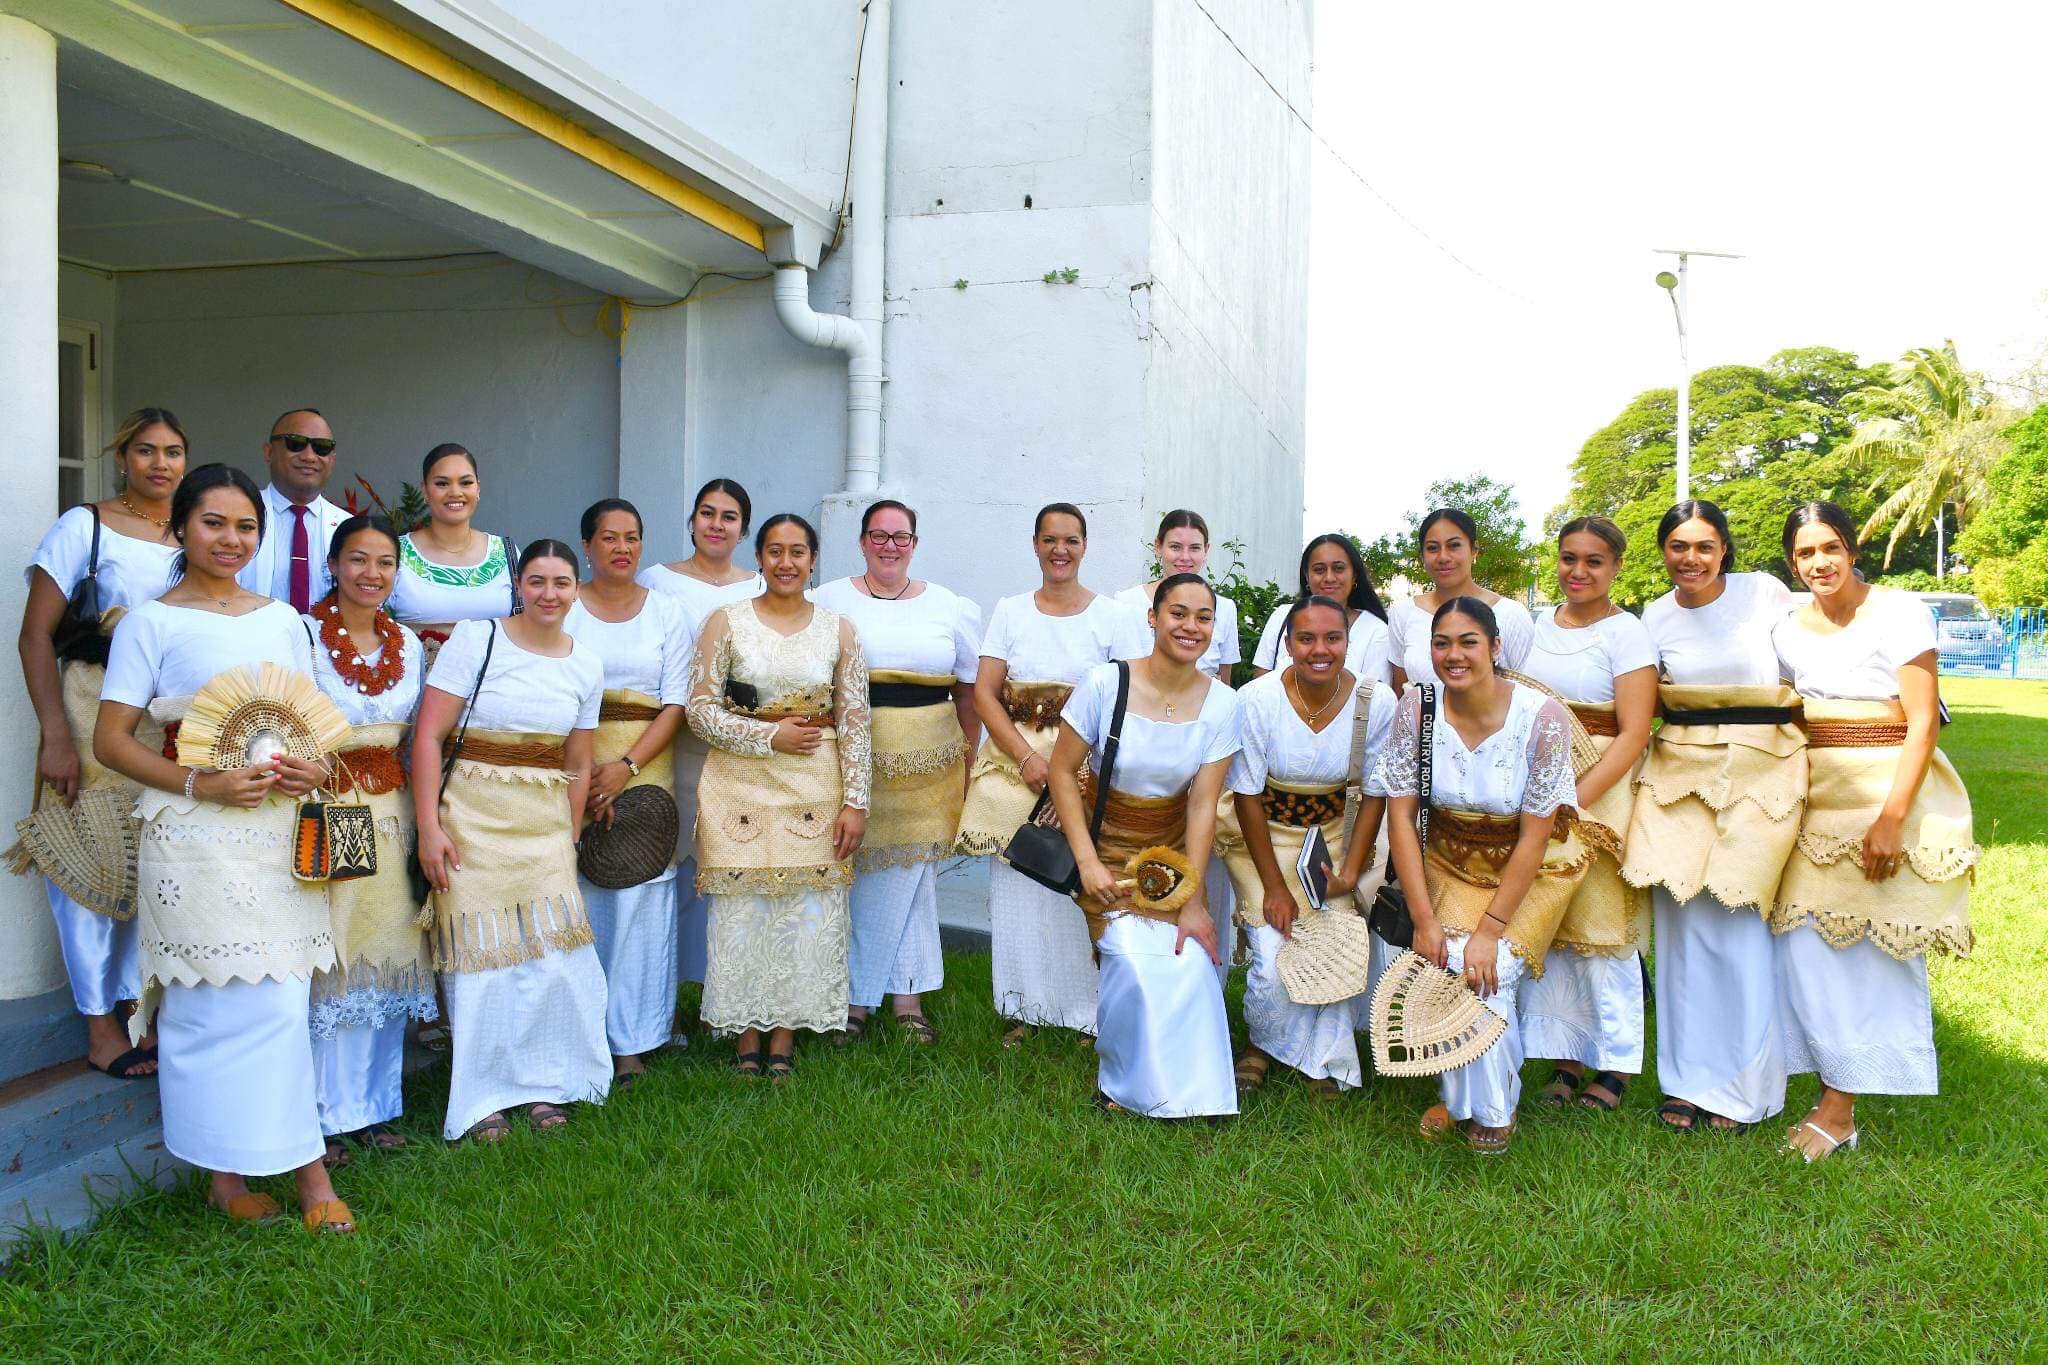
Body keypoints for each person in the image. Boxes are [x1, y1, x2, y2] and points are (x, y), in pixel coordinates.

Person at [94, 463, 352, 1231]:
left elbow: (308, 723)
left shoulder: (283, 620)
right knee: (204, 1006)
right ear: (180, 527)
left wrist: (311, 766)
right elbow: (111, 739)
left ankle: (306, 1173)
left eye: (245, 526)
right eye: (213, 522)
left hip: (275, 830)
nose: (230, 539)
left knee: (279, 997)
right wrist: (198, 783)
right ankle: (225, 1176)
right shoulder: (150, 622)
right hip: (192, 832)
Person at [1770, 502, 1976, 1161]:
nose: (1819, 562)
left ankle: (1840, 1108)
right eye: (1805, 553)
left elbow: (1924, 719)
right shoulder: (1786, 628)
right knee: (1803, 944)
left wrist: (1890, 818)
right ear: (1791, 561)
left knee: (1870, 951)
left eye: (1830, 546)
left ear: (1853, 548)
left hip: (1887, 789)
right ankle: (1833, 1077)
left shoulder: (1899, 611)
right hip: (1815, 794)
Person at [1373, 597, 1585, 1154]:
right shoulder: (1414, 709)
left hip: (1530, 872)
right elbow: (1400, 815)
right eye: (1442, 643)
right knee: (1443, 963)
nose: (1453, 654)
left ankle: (1490, 1111)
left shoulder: (1543, 717)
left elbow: (1538, 836)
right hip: (1445, 864)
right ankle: (1467, 1097)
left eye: (1469, 641)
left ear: (1495, 648)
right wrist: (1423, 919)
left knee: (1485, 975)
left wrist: (1490, 930)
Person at [414, 540, 608, 1142]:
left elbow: (578, 759)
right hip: (470, 822)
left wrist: (568, 833)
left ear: (576, 589)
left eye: (562, 583)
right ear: (518, 585)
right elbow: (428, 736)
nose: (550, 594)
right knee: (482, 965)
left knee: (553, 960)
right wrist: (429, 826)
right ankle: (484, 1098)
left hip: (543, 828)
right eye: (537, 581)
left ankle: (547, 1084)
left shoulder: (585, 663)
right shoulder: (477, 640)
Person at [13, 407, 185, 1079]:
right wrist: (54, 731)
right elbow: (34, 635)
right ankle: (98, 1025)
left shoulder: (195, 529)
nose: (161, 463)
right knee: (88, 863)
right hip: (90, 707)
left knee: (152, 866)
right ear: (123, 458)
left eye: (173, 451)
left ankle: (140, 1012)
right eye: (146, 450)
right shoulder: (83, 526)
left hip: (164, 714)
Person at [1620, 499, 1802, 1134]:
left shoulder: (1765, 594)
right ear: (1664, 551)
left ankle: (1743, 1089)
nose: (1690, 558)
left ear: (1725, 548)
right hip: (1679, 773)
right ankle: (1687, 1082)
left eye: (1703, 545)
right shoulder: (1656, 616)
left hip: (1762, 767)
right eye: (1678, 546)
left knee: (1738, 921)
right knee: (1680, 926)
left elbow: (1809, 671)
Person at [1048, 574, 1242, 1117]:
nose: (1190, 627)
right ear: (1153, 617)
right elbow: (1063, 773)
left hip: (1171, 854)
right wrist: (1086, 861)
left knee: (1188, 961)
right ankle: (1127, 1086)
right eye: (1178, 613)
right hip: (1104, 844)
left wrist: (1194, 899)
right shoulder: (1106, 684)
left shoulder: (1224, 705)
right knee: (1132, 959)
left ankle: (1197, 1095)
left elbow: (1203, 804)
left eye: (1203, 618)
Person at [686, 513, 869, 1079]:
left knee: (802, 909)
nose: (785, 562)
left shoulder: (840, 628)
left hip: (817, 782)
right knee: (745, 910)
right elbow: (699, 711)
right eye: (774, 551)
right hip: (740, 784)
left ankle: (784, 1035)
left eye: (797, 551)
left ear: (814, 560)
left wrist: (856, 801)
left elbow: (856, 720)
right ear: (759, 558)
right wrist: (770, 735)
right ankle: (745, 1035)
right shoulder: (726, 621)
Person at [958, 502, 1148, 1045]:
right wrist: (1026, 758)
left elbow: (1124, 697)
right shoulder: (1011, 610)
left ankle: (1090, 1010)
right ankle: (1026, 1006)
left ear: (1085, 547)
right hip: (1015, 759)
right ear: (1035, 545)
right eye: (1049, 539)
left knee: (1077, 883)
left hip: (1083, 765)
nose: (1059, 550)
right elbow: (985, 694)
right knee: (1019, 883)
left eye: (1070, 540)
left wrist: (1071, 770)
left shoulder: (1114, 615)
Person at [811, 499, 981, 1044]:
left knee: (914, 880)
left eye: (900, 537)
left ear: (914, 543)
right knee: (861, 876)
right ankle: (864, 999)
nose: (889, 546)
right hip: (855, 761)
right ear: (862, 541)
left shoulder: (951, 606)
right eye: (878, 536)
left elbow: (970, 689)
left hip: (930, 764)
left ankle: (899, 1001)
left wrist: (971, 756)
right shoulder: (829, 600)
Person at [1224, 595, 1396, 1097]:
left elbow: (1375, 794)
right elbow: (1248, 797)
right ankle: (1262, 1043)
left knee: (1332, 948)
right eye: (1306, 638)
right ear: (1287, 644)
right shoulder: (1256, 699)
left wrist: (1349, 870)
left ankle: (1326, 1059)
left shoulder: (1374, 700)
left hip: (1335, 842)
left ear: (1348, 641)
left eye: (1332, 638)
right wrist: (1274, 888)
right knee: (1274, 955)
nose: (1319, 650)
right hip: (1263, 841)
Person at [1515, 517, 1658, 1113]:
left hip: (1599, 789)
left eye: (1593, 561)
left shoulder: (1627, 634)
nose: (1578, 571)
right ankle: (1565, 1054)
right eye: (1569, 558)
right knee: (1552, 923)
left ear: (1616, 567)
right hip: (1536, 784)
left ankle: (1616, 1064)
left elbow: (1632, 732)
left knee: (1602, 928)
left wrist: (1573, 799)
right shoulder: (1534, 627)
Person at [302, 515, 433, 1164]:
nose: (372, 573)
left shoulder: (407, 643)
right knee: (340, 951)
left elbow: (416, 734)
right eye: (358, 559)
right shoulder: (302, 635)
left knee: (390, 947)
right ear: (333, 563)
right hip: (336, 809)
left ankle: (376, 1106)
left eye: (384, 562)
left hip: (394, 807)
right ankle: (324, 1114)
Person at [564, 499, 692, 1086]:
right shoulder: (563, 606)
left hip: (645, 766)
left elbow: (676, 703)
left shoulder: (666, 612)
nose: (623, 548)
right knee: (580, 895)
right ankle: (579, 1034)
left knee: (643, 898)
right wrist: (588, 773)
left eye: (633, 538)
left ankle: (636, 1040)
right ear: (587, 545)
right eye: (610, 538)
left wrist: (625, 768)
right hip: (572, 766)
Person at [639, 477, 763, 992]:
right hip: (672, 737)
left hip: (740, 743)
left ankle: (724, 986)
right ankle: (669, 986)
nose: (716, 524)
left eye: (728, 516)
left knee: (730, 855)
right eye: (707, 513)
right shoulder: (656, 580)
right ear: (691, 521)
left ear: (743, 529)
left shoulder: (757, 585)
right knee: (675, 855)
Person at [387, 445, 517, 662]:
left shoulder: (505, 553)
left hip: (494, 690)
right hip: (417, 690)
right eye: (442, 483)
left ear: (478, 489)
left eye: (466, 482)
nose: (455, 492)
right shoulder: (396, 554)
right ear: (424, 491)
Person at [1386, 509, 1535, 690]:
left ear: (1474, 551)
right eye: (1432, 548)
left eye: (1454, 545)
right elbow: (1399, 688)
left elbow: (1522, 690)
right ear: (1422, 556)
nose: (1443, 557)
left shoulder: (1511, 614)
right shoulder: (1403, 612)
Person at [238, 408, 349, 615]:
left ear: (332, 459)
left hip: (329, 644)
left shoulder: (347, 528)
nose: (309, 456)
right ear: (269, 452)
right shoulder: (237, 515)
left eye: (321, 448)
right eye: (296, 444)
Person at [1249, 533, 1393, 685]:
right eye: (1319, 570)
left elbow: (1370, 700)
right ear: (1307, 576)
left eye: (1338, 568)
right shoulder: (1282, 617)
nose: (1329, 578)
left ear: (1354, 575)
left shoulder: (1376, 631)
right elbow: (1261, 684)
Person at [1115, 510, 1239, 683]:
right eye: (1175, 547)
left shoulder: (1224, 608)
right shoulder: (1126, 603)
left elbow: (1224, 680)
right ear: (1158, 546)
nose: (1185, 557)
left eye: (1195, 548)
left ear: (1206, 549)